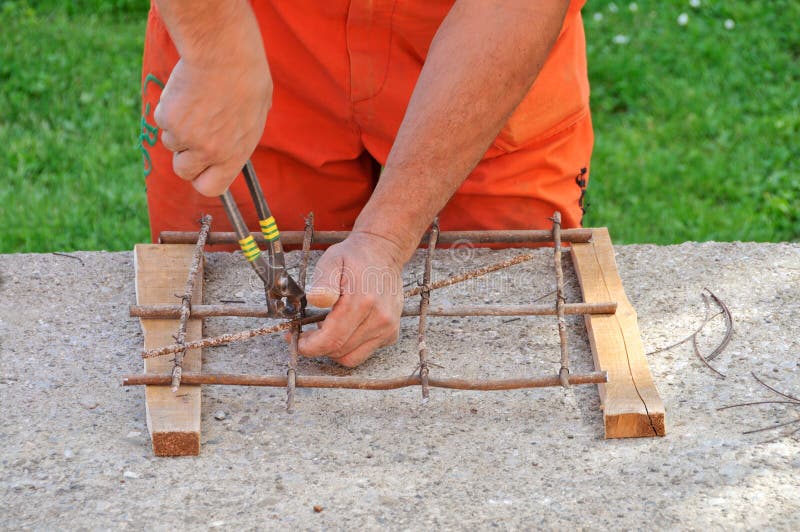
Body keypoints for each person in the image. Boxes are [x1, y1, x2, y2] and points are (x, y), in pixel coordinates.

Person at [139, 0, 593, 367]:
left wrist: (385, 238)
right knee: (216, 316)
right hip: (251, 35)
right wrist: (214, 53)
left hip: (485, 49)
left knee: (514, 320)